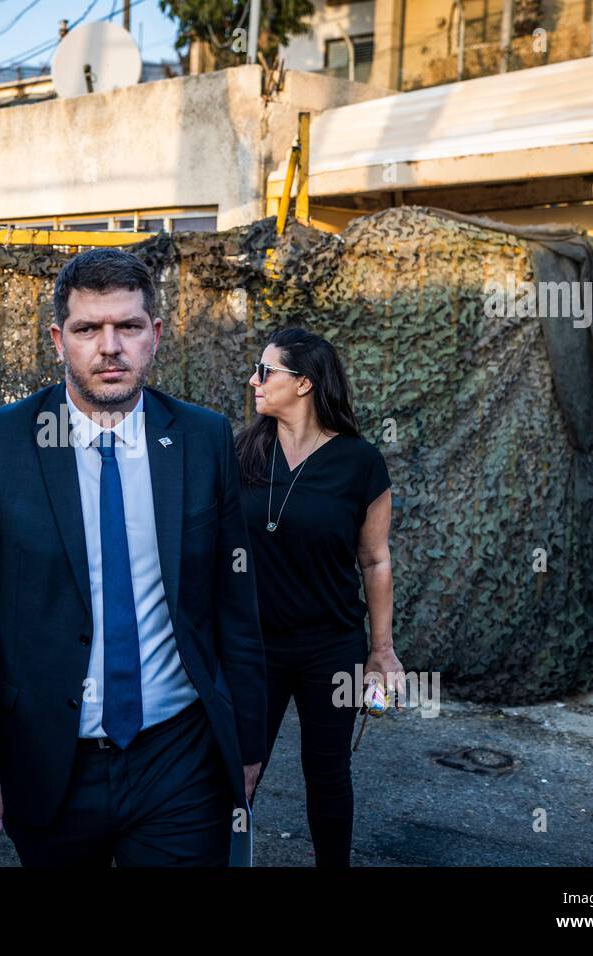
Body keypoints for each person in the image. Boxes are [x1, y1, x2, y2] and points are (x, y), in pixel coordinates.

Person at [0, 248, 267, 867]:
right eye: (88, 329)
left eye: (128, 327)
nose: (110, 347)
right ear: (59, 340)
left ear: (155, 336)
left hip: (179, 758)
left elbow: (233, 600)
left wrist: (247, 740)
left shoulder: (202, 438)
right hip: (49, 761)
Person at [236, 327, 402, 868]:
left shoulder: (360, 462)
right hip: (252, 645)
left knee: (327, 770)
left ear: (304, 383)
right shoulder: (241, 451)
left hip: (330, 646)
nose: (253, 380)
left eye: (266, 371)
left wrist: (381, 651)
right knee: (238, 768)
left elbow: (375, 560)